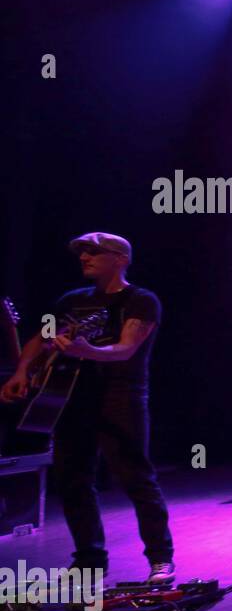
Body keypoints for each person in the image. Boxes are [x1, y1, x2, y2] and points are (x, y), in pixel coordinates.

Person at [1, 232, 175, 583]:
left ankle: (160, 558)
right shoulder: (70, 300)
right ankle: (89, 562)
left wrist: (88, 351)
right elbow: (41, 336)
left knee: (135, 476)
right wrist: (21, 371)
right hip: (69, 397)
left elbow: (126, 349)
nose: (84, 257)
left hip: (120, 394)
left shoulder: (140, 301)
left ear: (120, 258)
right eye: (81, 252)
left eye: (93, 252)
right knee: (73, 479)